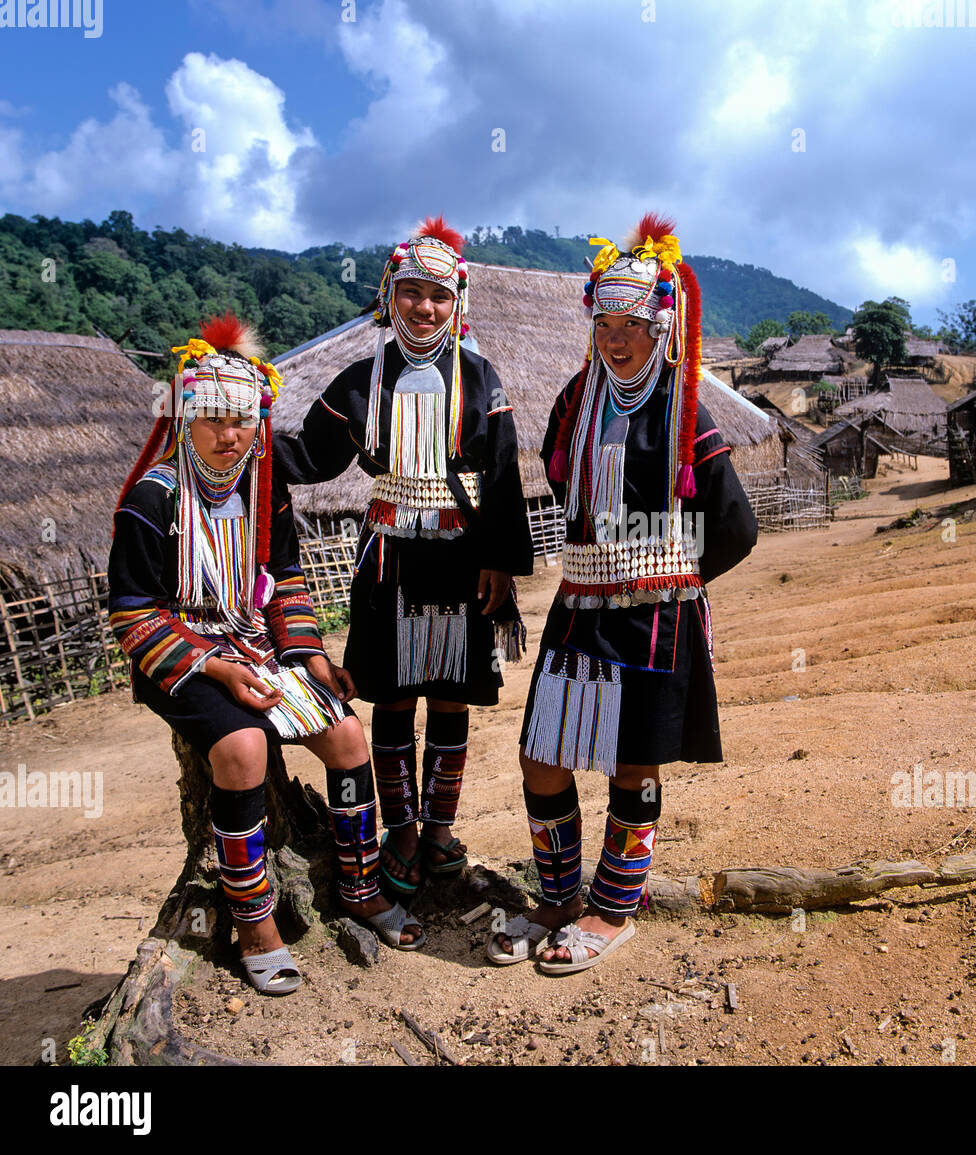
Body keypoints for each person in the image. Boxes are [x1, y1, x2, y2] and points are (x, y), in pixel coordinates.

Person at [109, 314, 423, 997]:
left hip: (251, 639)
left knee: (345, 731)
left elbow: (282, 580)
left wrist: (309, 658)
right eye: (215, 419)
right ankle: (256, 924)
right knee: (244, 748)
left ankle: (360, 886)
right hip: (182, 652)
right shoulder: (151, 500)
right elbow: (133, 613)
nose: (231, 436)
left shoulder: (262, 488)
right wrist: (218, 668)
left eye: (244, 421)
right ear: (186, 415)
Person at [491, 214, 757, 973]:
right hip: (578, 605)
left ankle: (614, 907)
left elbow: (734, 526)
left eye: (631, 324)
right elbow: (555, 469)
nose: (616, 337)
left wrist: (669, 568)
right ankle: (556, 897)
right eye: (603, 320)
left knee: (633, 762)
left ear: (658, 324)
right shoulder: (578, 400)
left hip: (655, 617)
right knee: (544, 753)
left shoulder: (683, 407)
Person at [274, 217, 533, 899]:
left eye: (439, 295)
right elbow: (309, 456)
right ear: (390, 295)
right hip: (389, 558)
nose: (424, 306)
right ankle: (402, 831)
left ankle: (441, 829)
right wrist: (240, 436)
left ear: (459, 303)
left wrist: (501, 560)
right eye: (412, 292)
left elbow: (503, 475)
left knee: (450, 695)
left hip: (463, 556)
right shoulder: (361, 382)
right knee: (390, 696)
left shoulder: (483, 379)